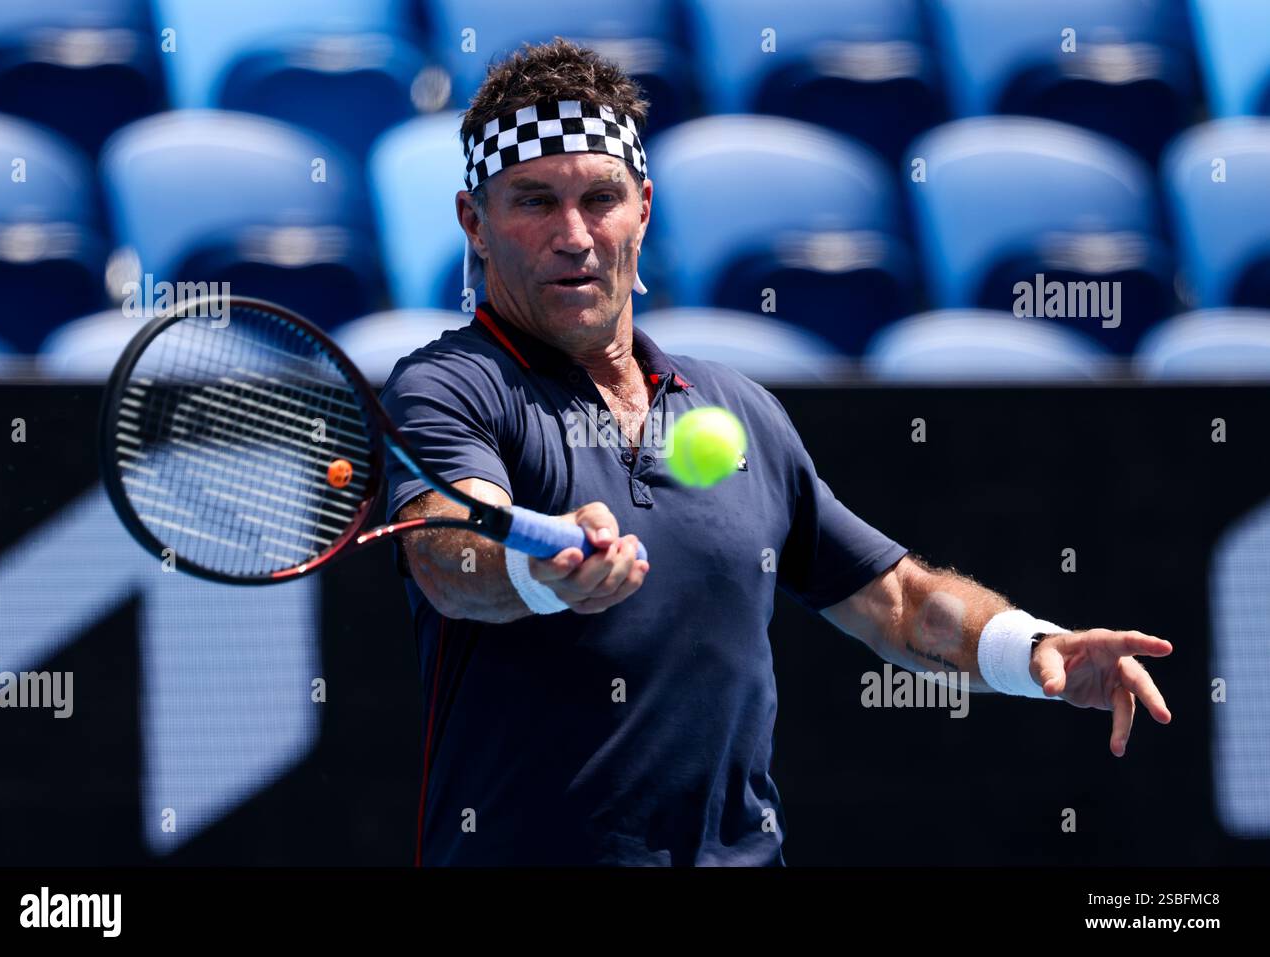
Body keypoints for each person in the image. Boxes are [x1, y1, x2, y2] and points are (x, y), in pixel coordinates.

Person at [381, 38, 1172, 866]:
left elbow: (898, 602)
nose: (575, 236)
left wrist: (1032, 648)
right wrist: (538, 572)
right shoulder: (447, 387)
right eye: (534, 201)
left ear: (643, 209)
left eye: (601, 198)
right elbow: (446, 551)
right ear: (475, 222)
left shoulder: (740, 410)